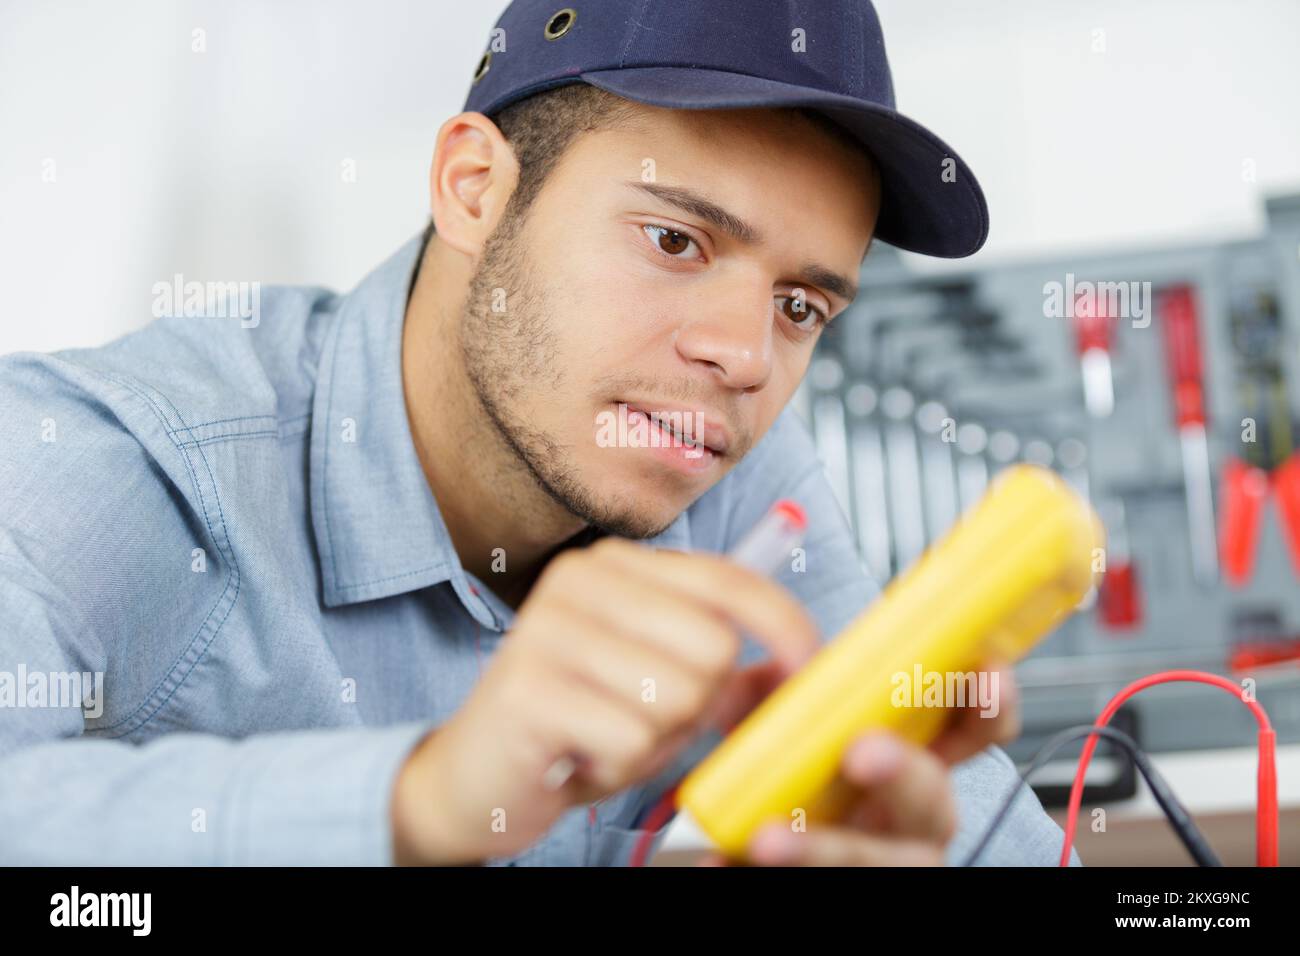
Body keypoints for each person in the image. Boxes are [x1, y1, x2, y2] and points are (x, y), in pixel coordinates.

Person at [0, 0, 1077, 865]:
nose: (745, 356)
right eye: (673, 238)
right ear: (473, 189)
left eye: (801, 306)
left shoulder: (727, 479)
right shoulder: (111, 459)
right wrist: (425, 800)